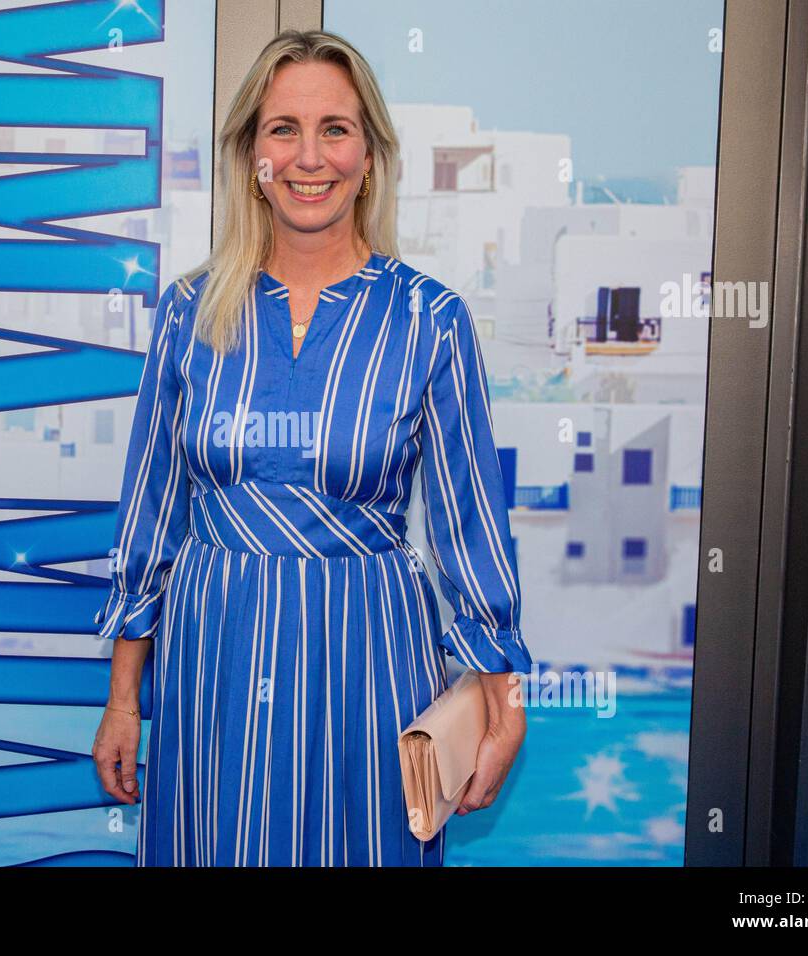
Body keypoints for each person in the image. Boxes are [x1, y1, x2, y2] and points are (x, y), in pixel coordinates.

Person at [92, 28, 530, 867]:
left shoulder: (428, 319)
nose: (309, 156)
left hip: (368, 654)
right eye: (283, 129)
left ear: (370, 155)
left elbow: (474, 527)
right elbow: (148, 517)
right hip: (214, 655)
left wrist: (504, 702)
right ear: (251, 153)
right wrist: (123, 700)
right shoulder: (188, 312)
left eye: (336, 128)